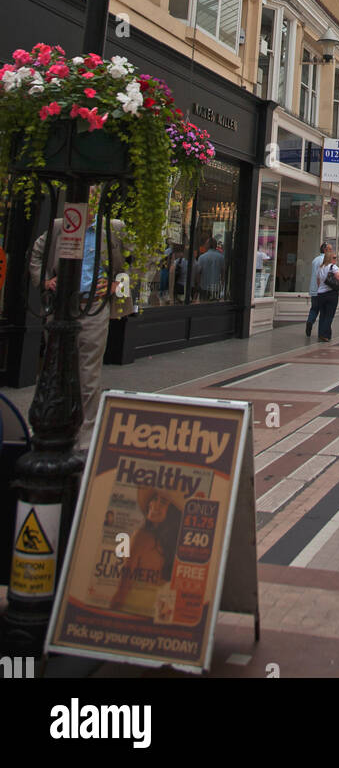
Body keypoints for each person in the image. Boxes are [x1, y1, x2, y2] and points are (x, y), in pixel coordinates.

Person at [30, 202, 127, 450]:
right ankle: (52, 424)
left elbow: (139, 261)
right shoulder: (60, 228)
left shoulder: (113, 230)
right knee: (55, 367)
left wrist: (119, 285)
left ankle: (85, 436)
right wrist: (44, 280)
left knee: (88, 373)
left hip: (94, 306)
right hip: (61, 308)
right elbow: (36, 255)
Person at [110, 486, 182, 617]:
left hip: (132, 609)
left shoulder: (141, 537)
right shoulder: (175, 547)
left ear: (172, 512)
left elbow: (123, 586)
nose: (154, 504)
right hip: (159, 613)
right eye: (154, 499)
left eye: (163, 502)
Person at [314, 246, 339, 342]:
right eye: (334, 258)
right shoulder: (333, 267)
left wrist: (321, 288)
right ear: (330, 258)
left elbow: (318, 281)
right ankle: (325, 334)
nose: (335, 259)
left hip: (321, 294)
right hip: (331, 293)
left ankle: (321, 333)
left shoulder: (320, 267)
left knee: (322, 314)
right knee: (329, 315)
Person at [305, 242, 328, 337]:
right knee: (324, 311)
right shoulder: (326, 260)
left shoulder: (315, 260)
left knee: (314, 308)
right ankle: (322, 332)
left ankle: (310, 321)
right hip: (323, 290)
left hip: (314, 289)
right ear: (326, 250)